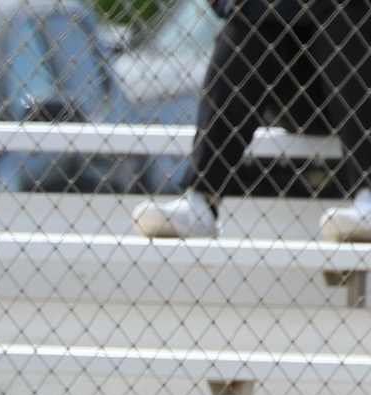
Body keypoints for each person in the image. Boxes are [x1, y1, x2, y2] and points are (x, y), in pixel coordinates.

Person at [133, 0, 371, 241]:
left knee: (347, 11)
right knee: (254, 12)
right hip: (298, 84)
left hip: (356, 58)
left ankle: (369, 197)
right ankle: (201, 201)